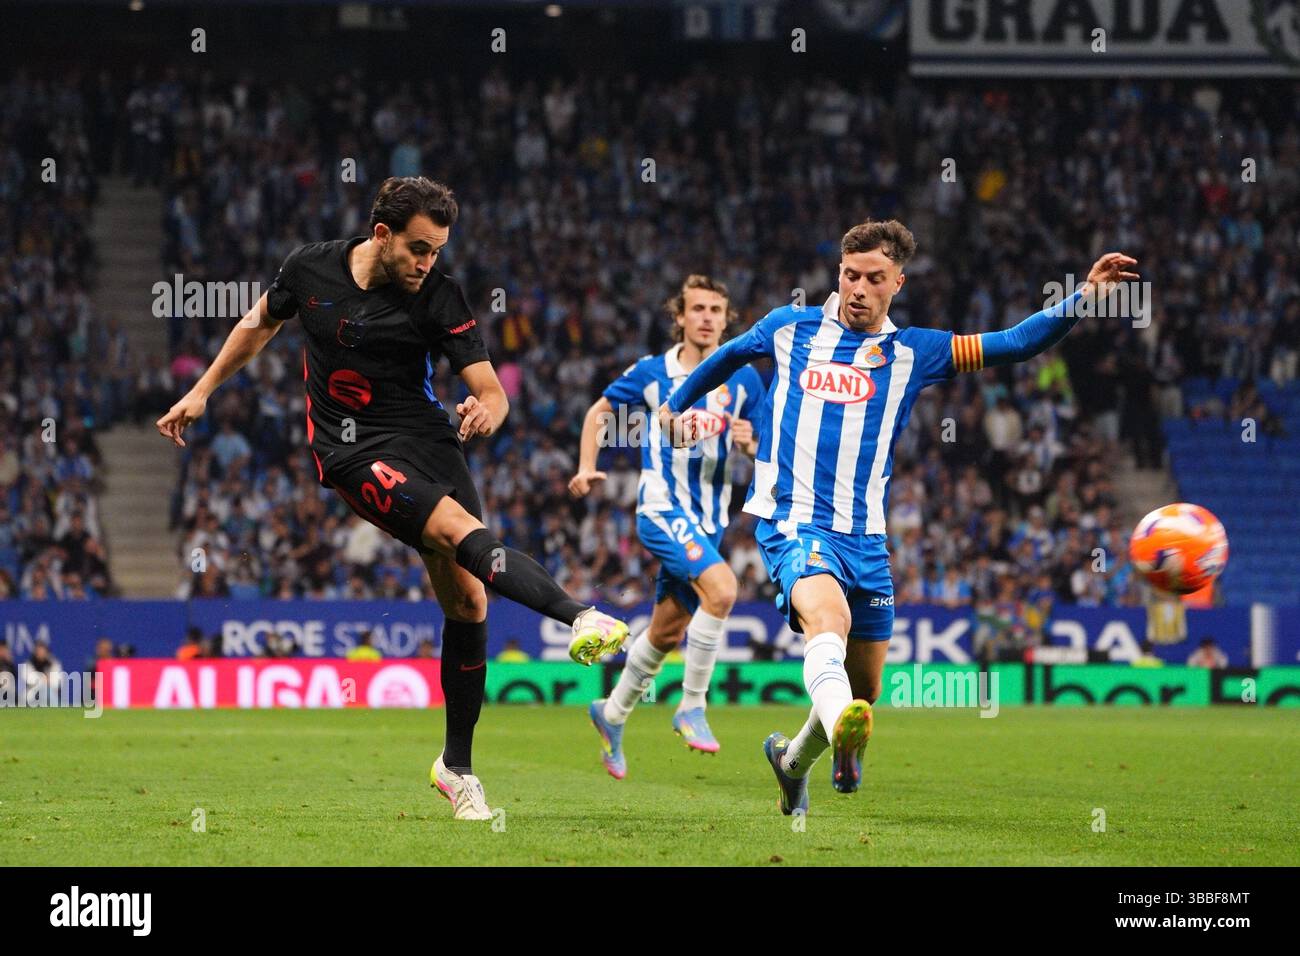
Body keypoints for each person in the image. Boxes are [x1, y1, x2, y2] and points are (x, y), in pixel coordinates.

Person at [156, 176, 630, 821]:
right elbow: (258, 322)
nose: (428, 262)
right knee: (459, 530)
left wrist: (487, 412)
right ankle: (579, 615)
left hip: (427, 439)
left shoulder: (439, 297)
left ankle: (455, 769)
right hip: (351, 449)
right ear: (382, 236)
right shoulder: (310, 268)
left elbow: (491, 390)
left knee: (466, 598)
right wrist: (204, 389)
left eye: (437, 250)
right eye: (418, 249)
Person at [659, 219, 1137, 815]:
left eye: (874, 278)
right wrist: (673, 405)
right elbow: (728, 356)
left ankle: (793, 761)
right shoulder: (789, 328)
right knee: (825, 619)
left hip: (866, 539)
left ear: (898, 282)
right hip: (793, 523)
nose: (858, 287)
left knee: (865, 688)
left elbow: (1014, 342)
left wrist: (1083, 296)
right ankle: (841, 728)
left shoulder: (915, 352)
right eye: (850, 274)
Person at [570, 275, 762, 777]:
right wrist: (586, 464)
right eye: (697, 309)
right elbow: (600, 411)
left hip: (709, 521)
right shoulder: (653, 373)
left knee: (666, 631)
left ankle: (611, 714)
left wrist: (751, 445)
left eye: (716, 310)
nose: (706, 318)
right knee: (722, 589)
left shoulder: (744, 379)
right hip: (661, 508)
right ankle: (691, 705)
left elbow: (770, 450)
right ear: (679, 316)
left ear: (726, 318)